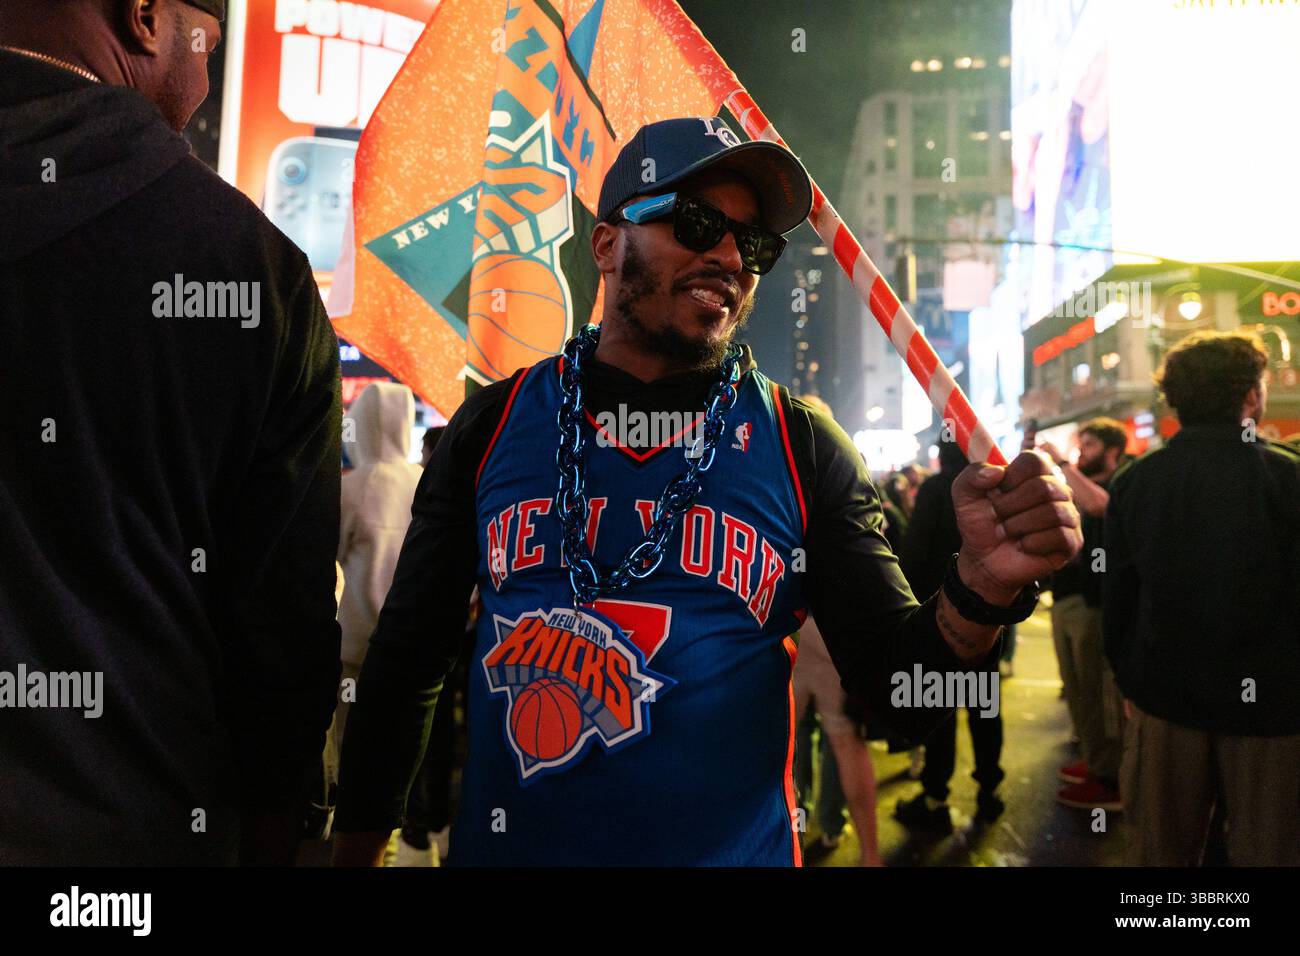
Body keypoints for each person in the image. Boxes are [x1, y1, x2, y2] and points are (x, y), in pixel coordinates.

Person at [332, 116, 1081, 866]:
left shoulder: (803, 445)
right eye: (696, 222)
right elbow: (406, 661)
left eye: (754, 244)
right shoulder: (493, 425)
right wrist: (358, 848)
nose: (728, 255)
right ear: (606, 244)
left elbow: (898, 699)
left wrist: (979, 589)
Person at [0, 0, 343, 865]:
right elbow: (282, 647)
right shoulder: (253, 272)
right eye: (212, 37)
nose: (209, 72)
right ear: (146, 17)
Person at [1105, 331, 1300, 866]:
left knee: (1161, 856)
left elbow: (1117, 598)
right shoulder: (1287, 480)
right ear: (1253, 397)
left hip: (1165, 699)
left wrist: (1128, 677)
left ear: (1174, 400)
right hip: (1272, 712)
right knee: (1272, 851)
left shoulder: (1136, 483)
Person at [325, 384, 424, 855]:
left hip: (356, 642)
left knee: (349, 746)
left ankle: (349, 839)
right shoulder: (423, 481)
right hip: (412, 643)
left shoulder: (353, 486)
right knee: (400, 748)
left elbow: (330, 557)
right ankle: (393, 835)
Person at [895, 439, 1006, 832]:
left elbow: (914, 554)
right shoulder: (994, 490)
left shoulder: (937, 489)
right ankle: (989, 790)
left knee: (939, 714)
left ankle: (936, 798)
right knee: (985, 710)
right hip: (989, 619)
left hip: (942, 621)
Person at [1037, 418, 1127, 811]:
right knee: (1077, 691)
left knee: (1098, 692)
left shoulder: (1120, 484)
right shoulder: (1080, 488)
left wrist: (1062, 465)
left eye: (1089, 446)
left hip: (1097, 606)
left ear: (1112, 452)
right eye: (1080, 445)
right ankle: (1095, 763)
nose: (1081, 452)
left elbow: (1100, 506)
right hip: (1069, 597)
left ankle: (1111, 779)